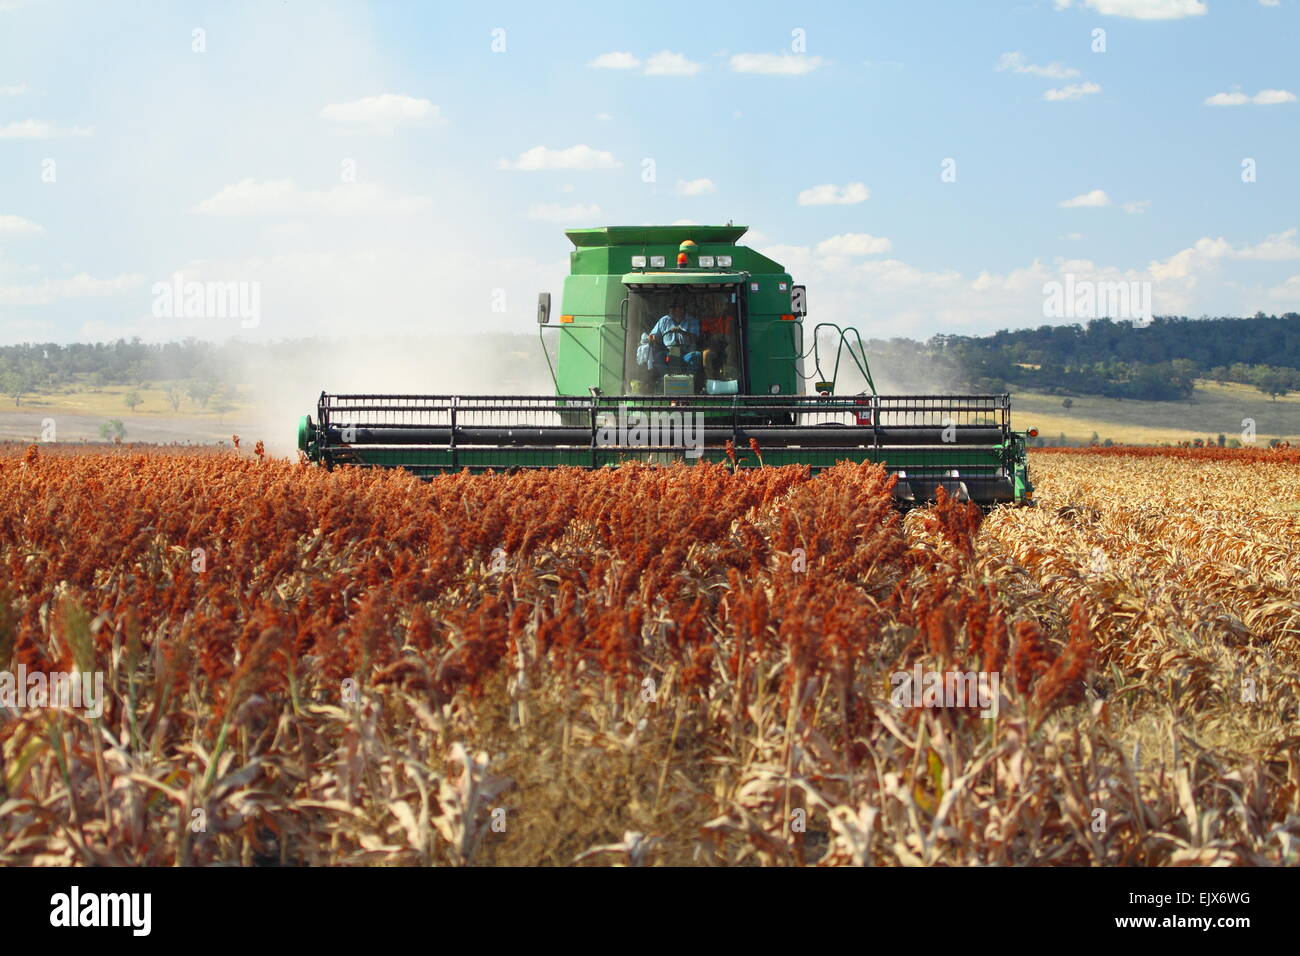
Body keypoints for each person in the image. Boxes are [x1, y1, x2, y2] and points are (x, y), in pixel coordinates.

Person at [640, 304, 710, 379]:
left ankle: (687, 381)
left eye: (675, 308)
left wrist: (682, 332)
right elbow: (653, 335)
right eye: (671, 308)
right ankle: (665, 381)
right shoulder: (664, 320)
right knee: (658, 356)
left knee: (697, 355)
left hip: (686, 353)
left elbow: (695, 338)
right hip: (668, 353)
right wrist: (652, 337)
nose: (672, 310)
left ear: (682, 309)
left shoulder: (692, 321)